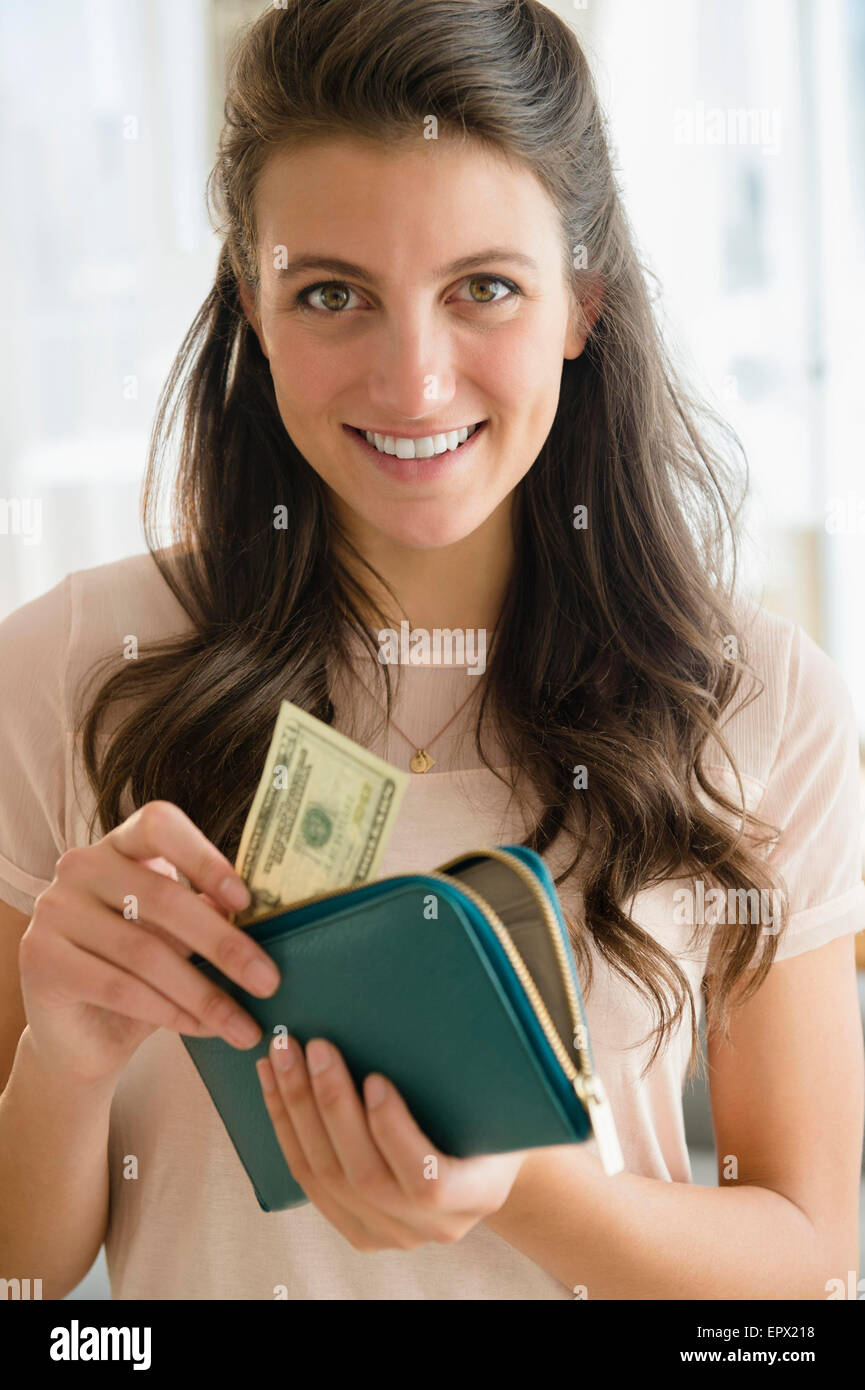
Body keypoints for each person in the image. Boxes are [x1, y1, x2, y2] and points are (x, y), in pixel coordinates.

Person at [0, 0, 862, 1301]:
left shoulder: (761, 698)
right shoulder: (68, 663)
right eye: (332, 292)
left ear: (582, 299)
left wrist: (514, 1182)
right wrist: (61, 1055)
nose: (411, 382)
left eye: (484, 289)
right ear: (253, 305)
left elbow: (803, 1245)